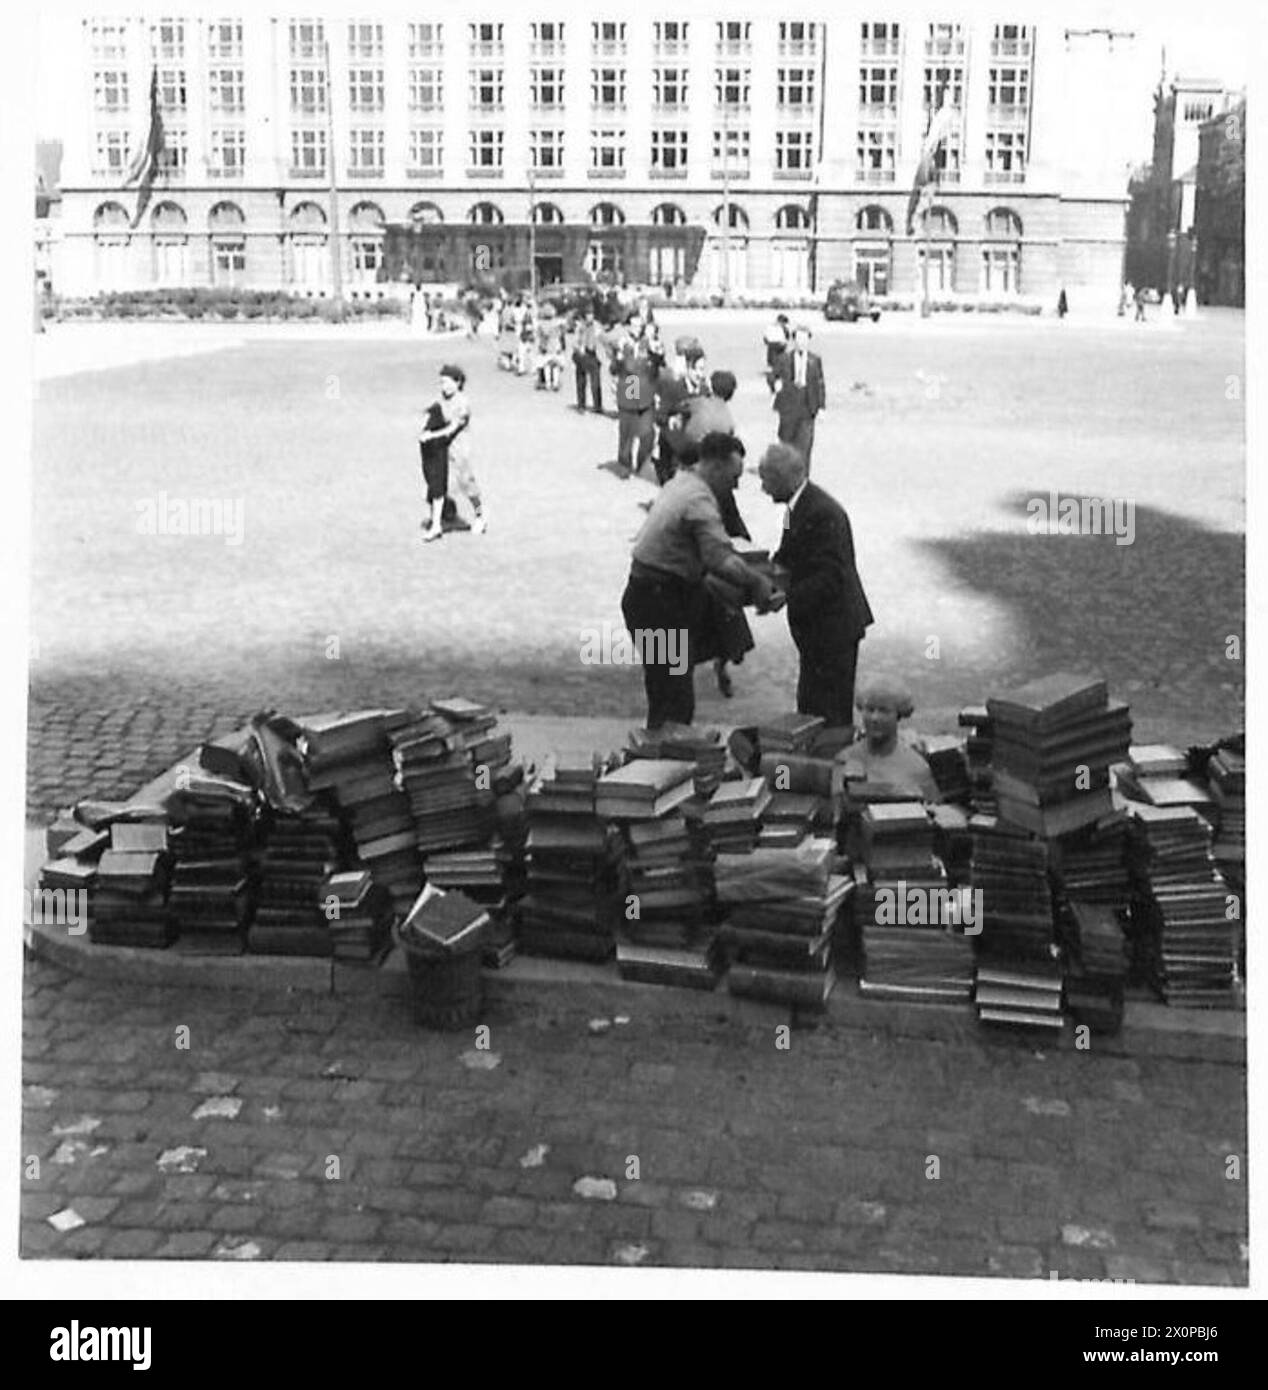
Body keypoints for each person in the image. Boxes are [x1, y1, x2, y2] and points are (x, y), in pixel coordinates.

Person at [622, 434, 782, 728]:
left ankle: (660, 754)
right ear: (716, 466)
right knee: (673, 700)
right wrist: (758, 582)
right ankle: (663, 761)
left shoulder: (682, 481)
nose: (734, 486)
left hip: (652, 597)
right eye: (733, 477)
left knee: (666, 689)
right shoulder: (698, 500)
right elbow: (718, 557)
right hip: (659, 605)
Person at [759, 441, 873, 728]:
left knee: (829, 712)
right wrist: (761, 572)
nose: (763, 489)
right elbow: (786, 554)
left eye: (766, 480)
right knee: (812, 705)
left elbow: (831, 576)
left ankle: (827, 766)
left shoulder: (821, 512)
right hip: (818, 628)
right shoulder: (795, 508)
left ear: (784, 477)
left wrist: (785, 595)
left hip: (833, 627)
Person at [839, 675, 939, 801]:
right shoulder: (845, 758)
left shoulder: (917, 768)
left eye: (883, 711)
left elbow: (931, 811)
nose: (874, 718)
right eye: (870, 710)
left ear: (898, 715)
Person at [419, 365, 486, 541]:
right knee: (439, 485)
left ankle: (479, 516)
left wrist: (431, 435)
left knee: (467, 484)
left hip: (459, 449)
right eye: (442, 382)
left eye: (448, 382)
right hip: (442, 449)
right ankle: (439, 522)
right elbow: (433, 412)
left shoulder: (462, 403)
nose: (444, 386)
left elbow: (452, 428)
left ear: (458, 383)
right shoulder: (442, 400)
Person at [771, 324, 826, 470]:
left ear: (808, 341)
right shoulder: (784, 358)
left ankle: (803, 480)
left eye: (804, 339)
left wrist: (821, 407)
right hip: (788, 408)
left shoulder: (815, 361)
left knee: (805, 447)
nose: (801, 342)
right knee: (787, 445)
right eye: (798, 339)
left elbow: (820, 384)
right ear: (794, 341)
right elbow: (772, 375)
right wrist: (775, 384)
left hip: (808, 408)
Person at [654, 339, 707, 485]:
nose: (700, 374)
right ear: (689, 368)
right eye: (697, 370)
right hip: (672, 449)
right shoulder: (674, 388)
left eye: (703, 370)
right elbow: (659, 416)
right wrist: (670, 420)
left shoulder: (705, 391)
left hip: (695, 450)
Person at [612, 321, 659, 479]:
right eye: (633, 325)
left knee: (647, 435)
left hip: (646, 395)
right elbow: (616, 368)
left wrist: (655, 352)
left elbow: (658, 365)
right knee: (626, 435)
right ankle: (625, 465)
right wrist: (620, 357)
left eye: (638, 325)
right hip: (629, 395)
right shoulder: (624, 344)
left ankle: (642, 463)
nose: (636, 328)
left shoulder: (651, 344)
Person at [570, 308, 605, 413]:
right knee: (581, 381)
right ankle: (581, 404)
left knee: (596, 382)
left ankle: (597, 405)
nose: (590, 316)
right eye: (588, 314)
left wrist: (601, 356)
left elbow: (601, 340)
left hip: (593, 354)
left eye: (591, 314)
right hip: (582, 353)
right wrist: (578, 349)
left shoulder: (597, 326)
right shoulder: (580, 326)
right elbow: (575, 341)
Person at [763, 313, 791, 389]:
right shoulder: (783, 329)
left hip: (772, 350)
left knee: (773, 367)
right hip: (778, 350)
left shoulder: (770, 327)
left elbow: (765, 340)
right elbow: (787, 339)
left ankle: (773, 385)